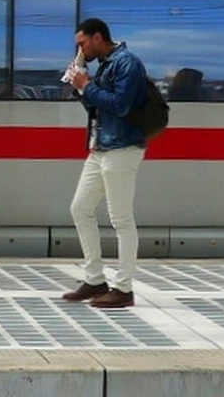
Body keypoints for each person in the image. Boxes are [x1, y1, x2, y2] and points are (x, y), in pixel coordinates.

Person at [59, 17, 152, 310]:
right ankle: (95, 279)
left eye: (82, 43)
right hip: (101, 147)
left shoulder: (127, 63)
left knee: (121, 219)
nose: (80, 49)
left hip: (122, 148)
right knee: (80, 208)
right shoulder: (104, 65)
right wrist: (79, 86)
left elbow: (121, 105)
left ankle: (123, 288)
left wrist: (87, 85)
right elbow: (97, 105)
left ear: (98, 37)